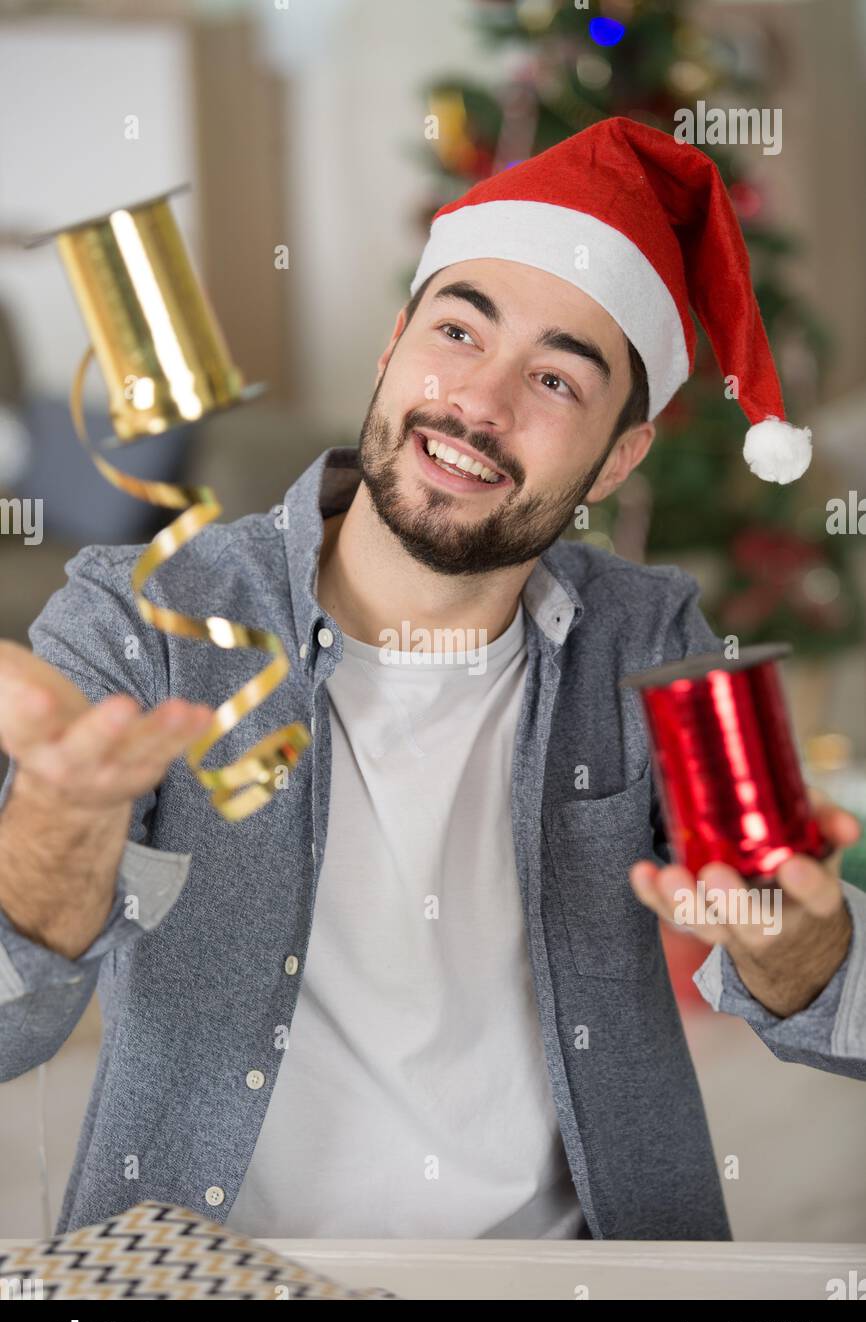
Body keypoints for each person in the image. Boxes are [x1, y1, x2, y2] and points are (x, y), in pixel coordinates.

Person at [0, 118, 863, 1241]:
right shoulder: (140, 620)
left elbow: (829, 1004)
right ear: (393, 344)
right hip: (206, 1278)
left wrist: (792, 942)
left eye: (556, 377)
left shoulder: (652, 639)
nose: (478, 401)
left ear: (615, 457)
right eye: (457, 330)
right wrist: (56, 832)